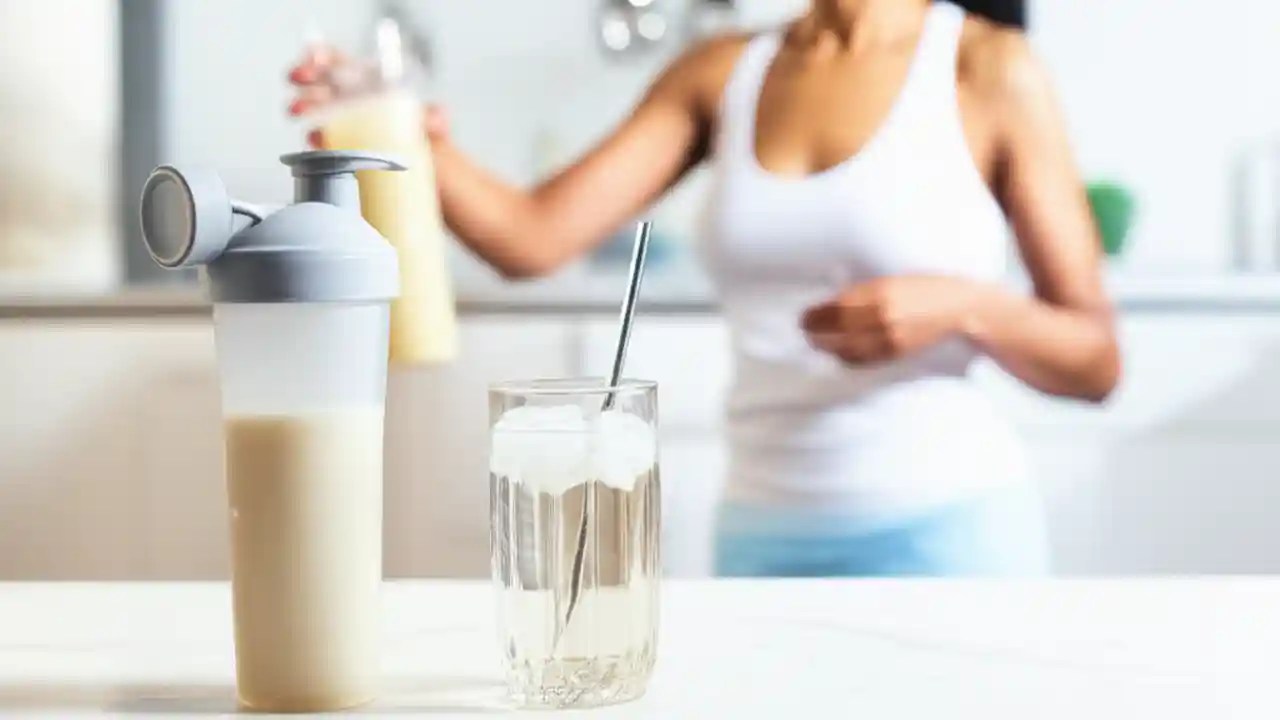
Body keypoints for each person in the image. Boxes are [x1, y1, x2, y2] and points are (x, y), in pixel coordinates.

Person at [289, 0, 1120, 577]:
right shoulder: (725, 73)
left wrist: (963, 305)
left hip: (949, 530)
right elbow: (533, 237)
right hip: (762, 532)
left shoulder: (988, 67)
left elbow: (1095, 359)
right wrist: (391, 122)